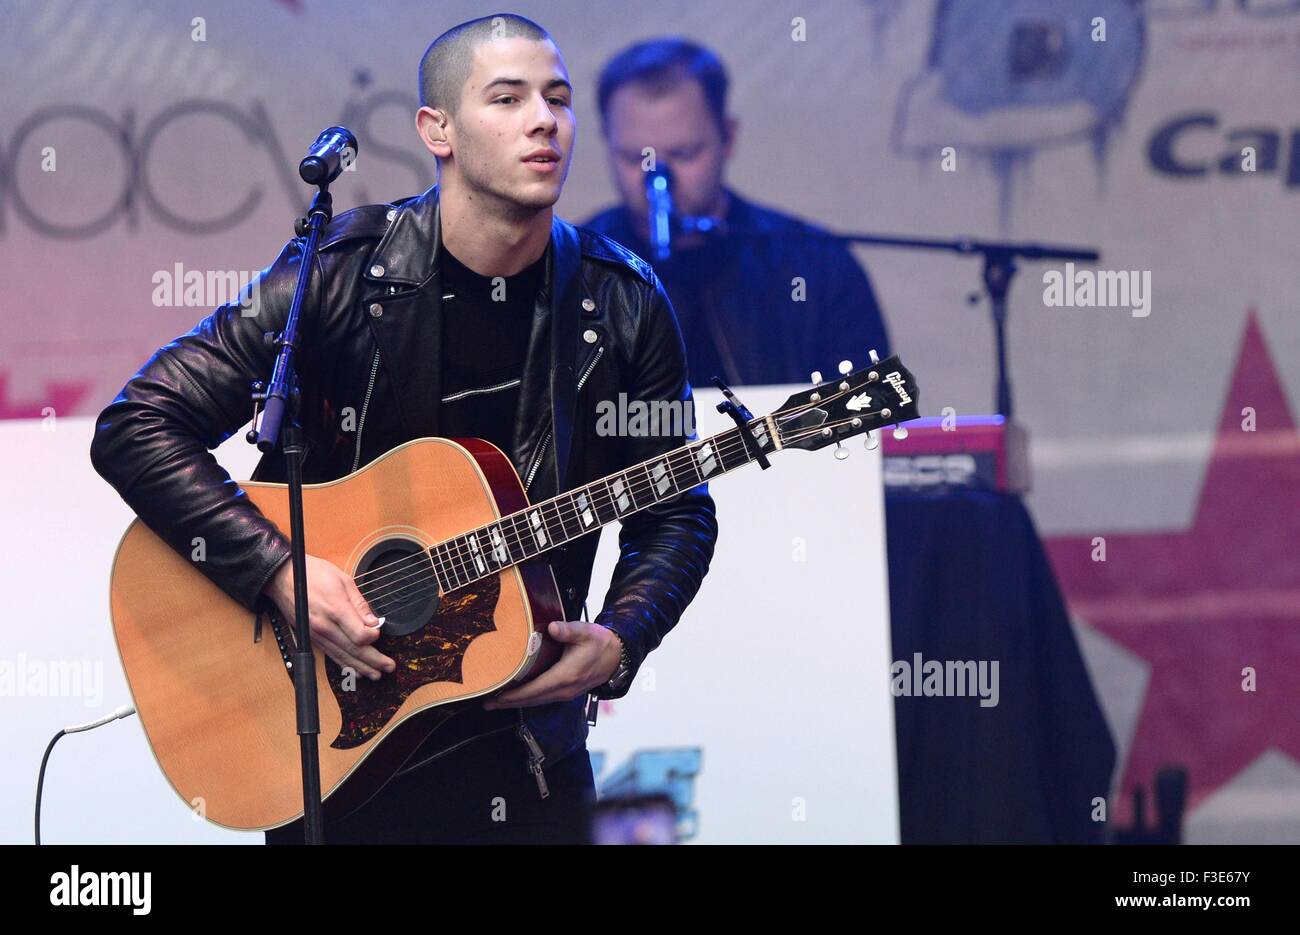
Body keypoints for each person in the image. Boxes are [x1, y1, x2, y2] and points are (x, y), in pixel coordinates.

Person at [89, 13, 718, 845]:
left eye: (558, 99)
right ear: (439, 130)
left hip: (526, 761)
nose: (544, 120)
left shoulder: (625, 303)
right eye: (509, 97)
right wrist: (277, 571)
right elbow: (137, 424)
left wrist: (623, 636)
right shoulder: (337, 277)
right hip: (333, 756)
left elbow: (675, 507)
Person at [582, 38, 891, 387]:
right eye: (634, 158)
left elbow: (869, 414)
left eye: (683, 153)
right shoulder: (570, 270)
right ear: (607, 142)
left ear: (727, 139)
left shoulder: (819, 267)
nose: (658, 179)